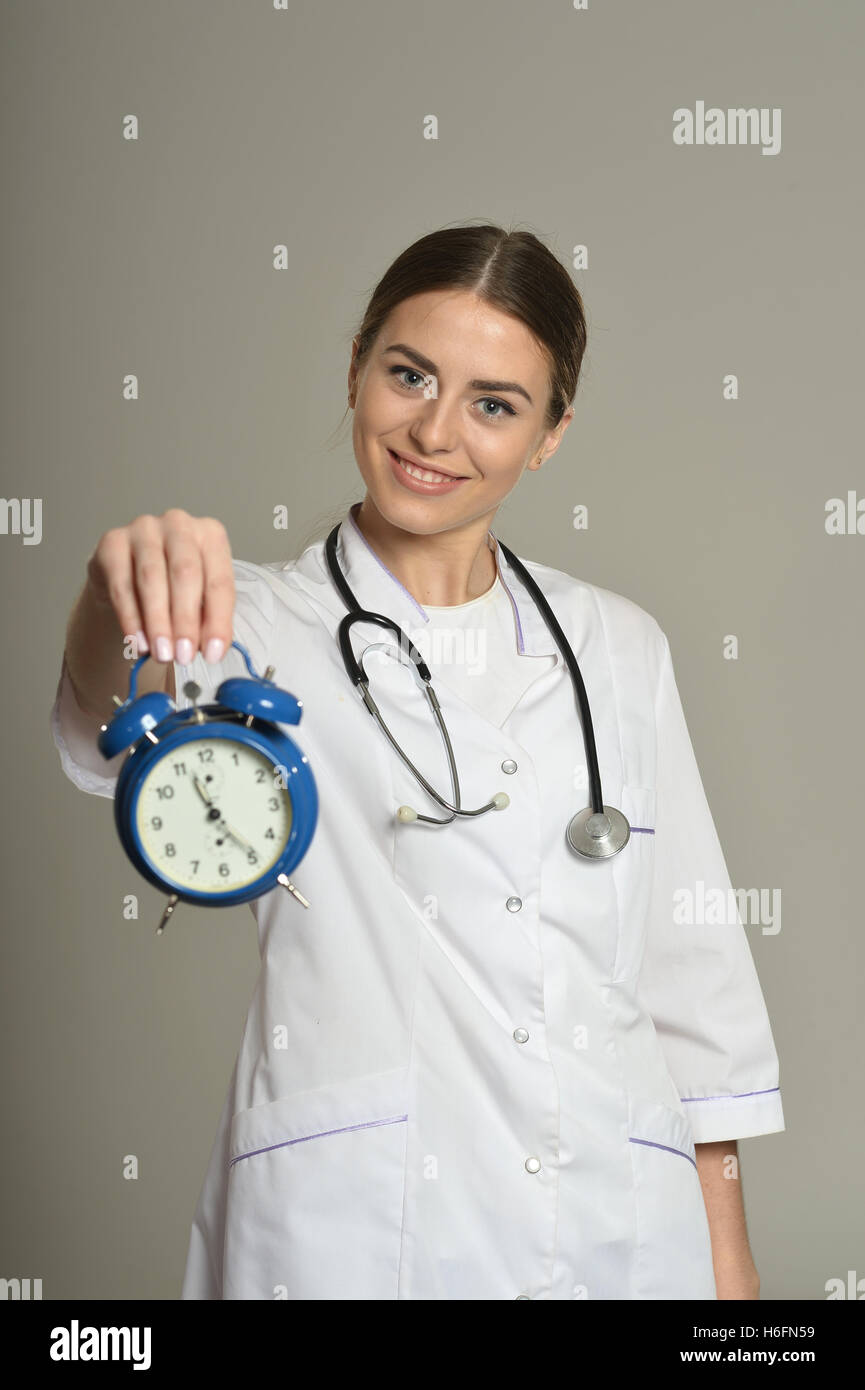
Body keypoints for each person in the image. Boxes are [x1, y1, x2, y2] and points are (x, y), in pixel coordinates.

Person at [50, 223, 784, 1301]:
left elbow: (693, 989)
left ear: (548, 436)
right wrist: (116, 592)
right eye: (409, 375)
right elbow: (102, 726)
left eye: (495, 403)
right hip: (358, 1230)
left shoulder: (617, 647)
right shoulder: (244, 615)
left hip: (620, 1234)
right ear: (356, 367)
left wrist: (728, 1281)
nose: (435, 430)